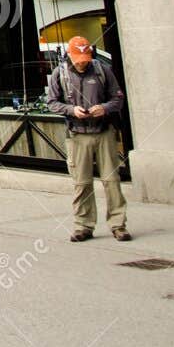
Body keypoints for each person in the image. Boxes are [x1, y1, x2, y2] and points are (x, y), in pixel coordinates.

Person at [46, 36, 131, 242]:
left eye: (85, 57)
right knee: (82, 183)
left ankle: (118, 225)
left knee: (111, 181)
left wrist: (104, 108)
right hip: (77, 134)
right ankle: (83, 226)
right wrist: (72, 110)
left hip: (103, 131)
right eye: (78, 58)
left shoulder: (102, 70)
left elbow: (118, 98)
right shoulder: (61, 74)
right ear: (70, 56)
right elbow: (51, 103)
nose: (82, 62)